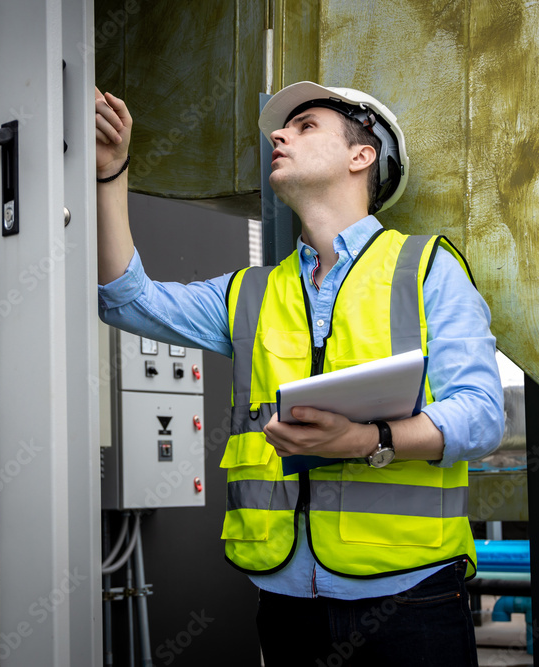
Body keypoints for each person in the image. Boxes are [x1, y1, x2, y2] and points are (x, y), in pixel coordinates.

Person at [95, 81, 504, 666]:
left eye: (306, 125)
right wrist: (111, 175)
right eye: (282, 129)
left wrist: (370, 440)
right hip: (285, 603)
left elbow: (484, 415)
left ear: (362, 156)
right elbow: (123, 300)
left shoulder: (427, 268)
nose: (280, 136)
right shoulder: (250, 292)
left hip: (410, 602)